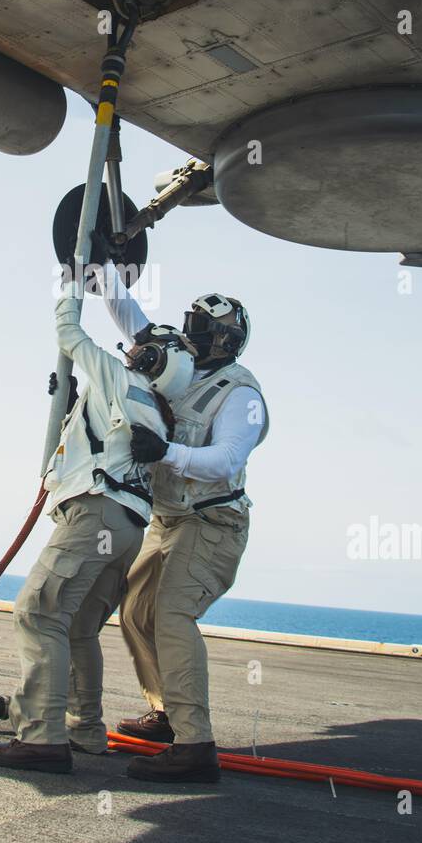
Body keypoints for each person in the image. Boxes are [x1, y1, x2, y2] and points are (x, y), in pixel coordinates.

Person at [0, 286, 196, 775]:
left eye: (141, 349)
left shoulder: (119, 377)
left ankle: (41, 739)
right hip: (127, 529)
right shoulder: (160, 416)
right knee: (80, 629)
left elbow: (69, 333)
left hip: (94, 514)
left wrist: (70, 287)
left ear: (150, 358)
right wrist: (74, 403)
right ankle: (84, 730)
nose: (131, 350)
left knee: (39, 613)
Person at [100, 269, 270, 784]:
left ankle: (195, 746)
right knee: (135, 612)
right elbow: (136, 325)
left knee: (172, 613)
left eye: (200, 326)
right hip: (169, 520)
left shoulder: (243, 395)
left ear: (225, 338)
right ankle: (168, 713)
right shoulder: (181, 368)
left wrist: (167, 452)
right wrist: (104, 270)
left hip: (213, 520)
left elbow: (226, 459)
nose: (187, 333)